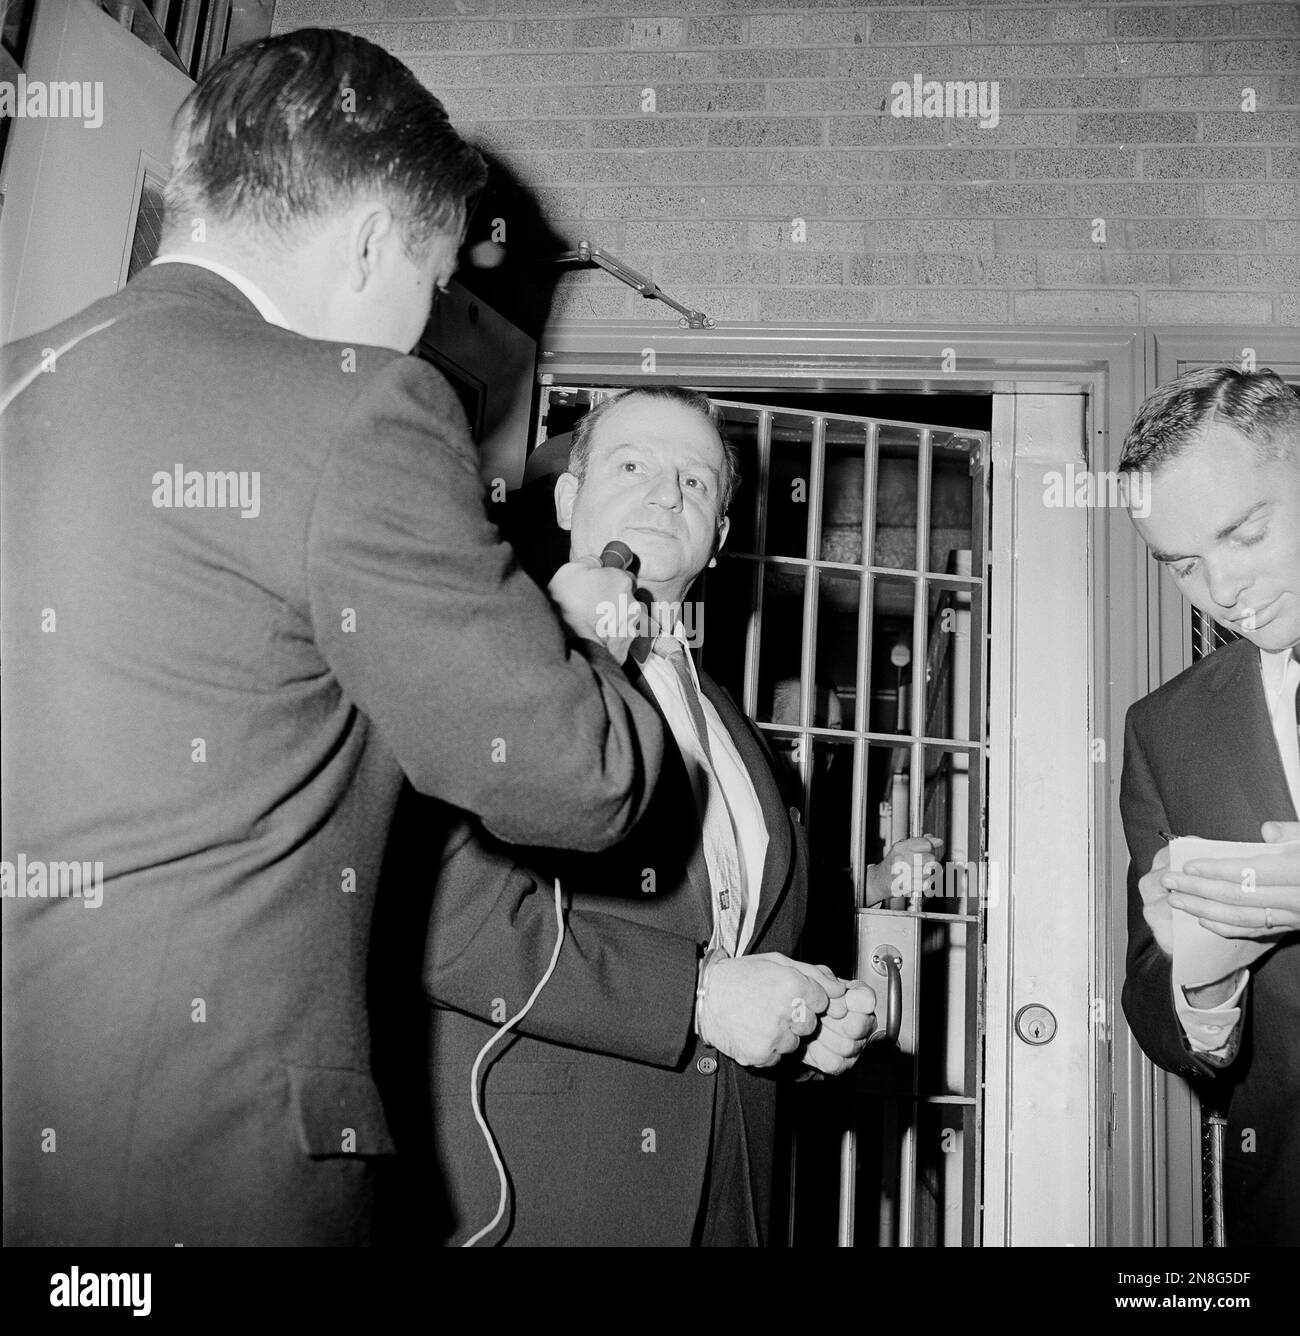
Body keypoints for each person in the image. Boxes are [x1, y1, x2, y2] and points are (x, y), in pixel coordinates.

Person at [0, 29, 666, 1247]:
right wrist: (584, 644)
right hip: (200, 1163)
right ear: (368, 240)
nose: (424, 332)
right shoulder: (360, 402)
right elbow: (576, 780)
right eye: (429, 285)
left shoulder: (18, 379)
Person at [422, 386, 939, 1246]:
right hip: (546, 1195)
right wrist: (698, 995)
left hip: (734, 1194)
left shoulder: (740, 737)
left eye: (697, 483)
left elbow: (742, 958)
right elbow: (446, 927)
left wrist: (799, 1025)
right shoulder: (482, 656)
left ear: (722, 537)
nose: (668, 495)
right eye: (633, 466)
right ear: (564, 498)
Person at [1118, 364, 1300, 1246]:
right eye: (1184, 564)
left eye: (1245, 533)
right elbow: (1150, 991)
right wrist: (1208, 976)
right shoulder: (1165, 730)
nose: (1222, 592)